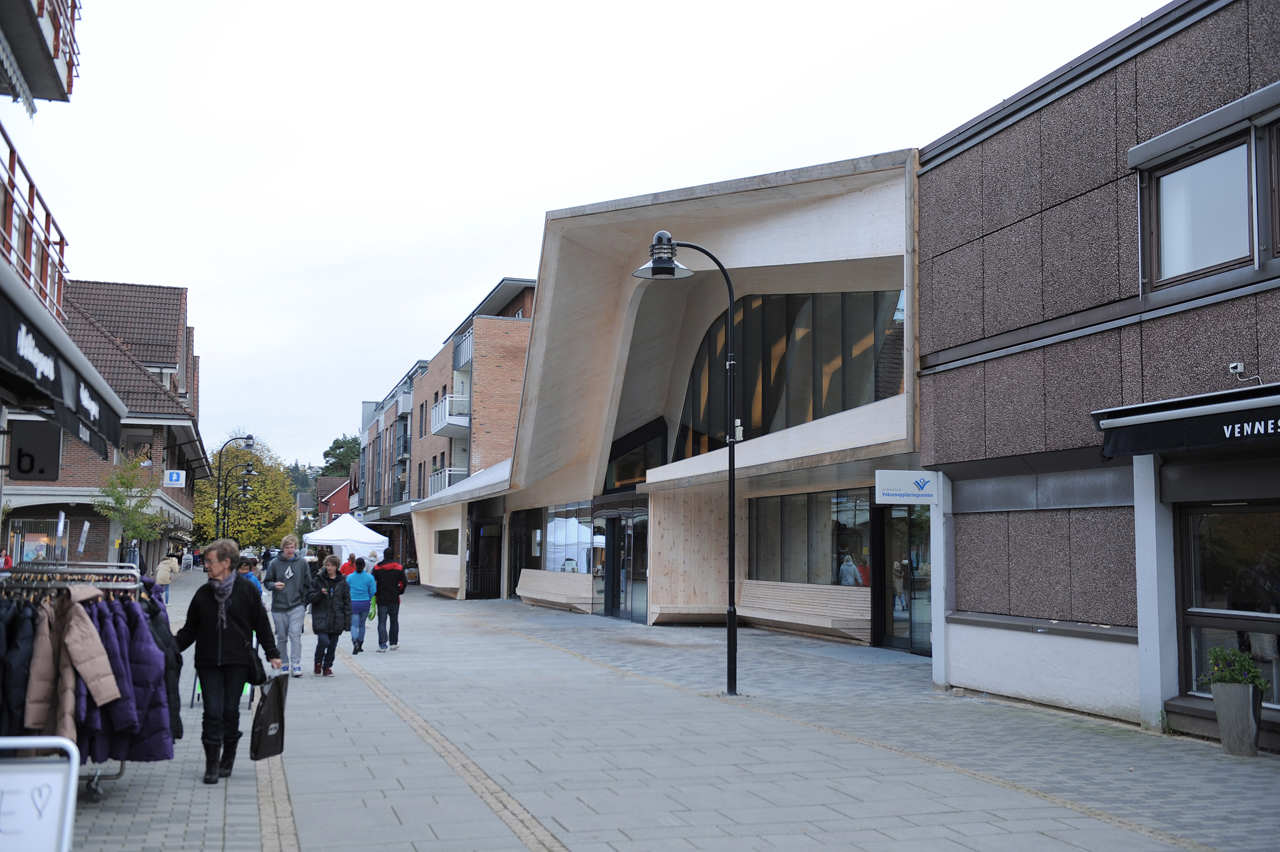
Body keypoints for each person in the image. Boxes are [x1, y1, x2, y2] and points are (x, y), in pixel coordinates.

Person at [174, 538, 281, 784]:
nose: (206, 566)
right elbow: (189, 630)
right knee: (212, 712)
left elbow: (262, 625)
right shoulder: (203, 594)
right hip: (208, 661)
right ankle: (212, 764)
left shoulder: (247, 591)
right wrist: (168, 649)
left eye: (210, 561)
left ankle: (228, 758)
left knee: (230, 711)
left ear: (226, 563)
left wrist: (272, 653)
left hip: (238, 662)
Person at [261, 534, 312, 678]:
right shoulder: (274, 563)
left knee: (295, 634)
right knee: (282, 637)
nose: (290, 550)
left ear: (296, 547)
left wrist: (304, 601)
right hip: (279, 606)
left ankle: (296, 664)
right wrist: (273, 585)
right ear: (282, 548)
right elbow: (267, 582)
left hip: (297, 605)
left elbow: (308, 583)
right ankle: (284, 663)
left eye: (292, 547)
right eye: (287, 547)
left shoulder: (302, 563)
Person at [310, 555, 351, 676]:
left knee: (332, 645)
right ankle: (318, 662)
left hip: (337, 618)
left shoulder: (342, 581)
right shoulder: (318, 580)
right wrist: (320, 593)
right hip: (321, 617)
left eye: (332, 565)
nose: (329, 568)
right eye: (327, 565)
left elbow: (347, 602)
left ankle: (327, 666)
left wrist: (347, 622)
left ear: (336, 566)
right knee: (324, 641)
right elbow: (310, 597)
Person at [373, 549, 407, 652]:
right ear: (393, 556)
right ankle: (393, 643)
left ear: (384, 555)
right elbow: (404, 582)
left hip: (381, 598)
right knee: (394, 621)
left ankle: (382, 645)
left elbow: (372, 582)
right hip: (394, 598)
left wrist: (375, 593)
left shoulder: (377, 567)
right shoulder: (399, 567)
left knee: (382, 622)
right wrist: (399, 591)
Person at [345, 557, 376, 654]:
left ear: (355, 566)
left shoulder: (349, 577)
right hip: (365, 602)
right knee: (362, 625)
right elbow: (373, 591)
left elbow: (345, 590)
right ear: (364, 566)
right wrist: (369, 598)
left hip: (353, 603)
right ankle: (360, 643)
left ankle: (354, 642)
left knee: (354, 625)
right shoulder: (369, 577)